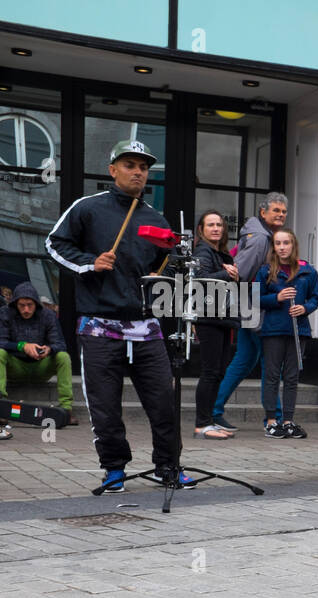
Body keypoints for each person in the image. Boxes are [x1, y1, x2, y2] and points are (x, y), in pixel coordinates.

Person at [45, 139, 187, 491]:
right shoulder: (87, 207)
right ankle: (114, 468)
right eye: (130, 165)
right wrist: (88, 263)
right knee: (105, 408)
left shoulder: (155, 218)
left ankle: (167, 466)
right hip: (99, 327)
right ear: (113, 170)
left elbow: (160, 266)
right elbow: (54, 243)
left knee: (164, 404)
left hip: (146, 327)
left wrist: (165, 272)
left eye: (143, 167)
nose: (138, 171)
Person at [211, 191, 288, 432]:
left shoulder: (259, 233)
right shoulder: (261, 239)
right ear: (263, 212)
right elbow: (241, 272)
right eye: (276, 210)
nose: (281, 215)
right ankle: (273, 419)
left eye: (284, 211)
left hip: (248, 303)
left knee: (245, 359)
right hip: (257, 305)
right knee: (269, 361)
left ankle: (213, 409)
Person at [255, 229, 318, 439]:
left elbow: (315, 298)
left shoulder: (308, 271)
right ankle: (272, 421)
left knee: (292, 377)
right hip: (273, 330)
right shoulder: (265, 271)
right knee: (272, 376)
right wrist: (278, 297)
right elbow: (256, 298)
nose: (282, 247)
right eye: (278, 243)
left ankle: (289, 420)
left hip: (298, 330)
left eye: (286, 243)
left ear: (293, 245)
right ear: (273, 247)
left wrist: (305, 308)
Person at [0, 281, 76, 426]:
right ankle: (1, 406)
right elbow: (1, 341)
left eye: (30, 305)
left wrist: (49, 349)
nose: (26, 309)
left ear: (36, 304)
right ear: (15, 304)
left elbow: (60, 344)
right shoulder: (5, 313)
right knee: (0, 353)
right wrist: (22, 346)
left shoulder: (48, 315)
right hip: (15, 367)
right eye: (22, 305)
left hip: (41, 367)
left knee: (63, 356)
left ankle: (67, 409)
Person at [192, 210, 240, 439]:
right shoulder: (202, 250)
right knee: (211, 371)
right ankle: (202, 424)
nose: (216, 228)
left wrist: (230, 274)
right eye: (211, 224)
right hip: (208, 318)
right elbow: (200, 278)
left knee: (218, 371)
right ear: (201, 229)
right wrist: (226, 273)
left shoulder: (218, 252)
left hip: (221, 317)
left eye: (219, 224)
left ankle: (209, 420)